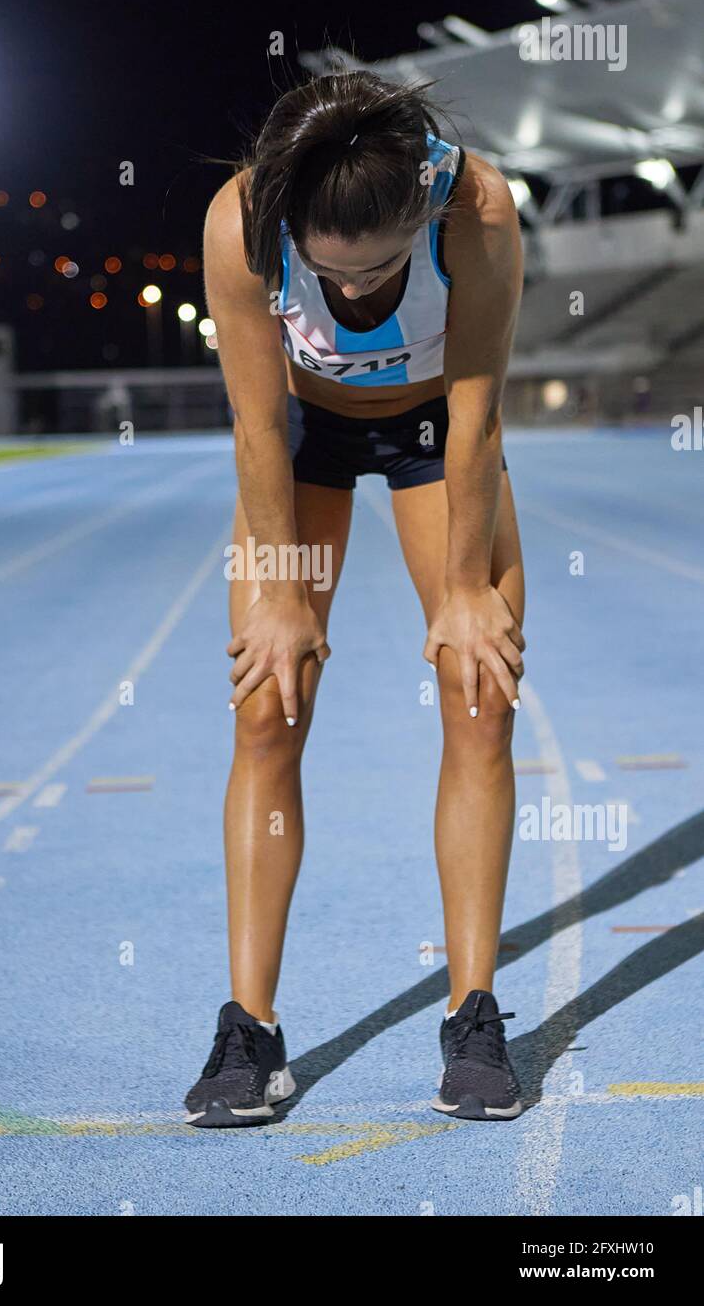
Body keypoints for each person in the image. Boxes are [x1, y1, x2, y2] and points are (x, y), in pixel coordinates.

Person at [185, 70, 526, 1127]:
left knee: (481, 690)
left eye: (383, 273)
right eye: (339, 280)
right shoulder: (240, 222)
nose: (366, 295)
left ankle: (473, 1013)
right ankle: (251, 1028)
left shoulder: (479, 212)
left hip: (436, 433)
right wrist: (282, 599)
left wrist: (466, 591)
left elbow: (473, 418)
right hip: (303, 439)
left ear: (420, 207)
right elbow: (255, 429)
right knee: (267, 705)